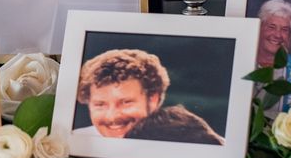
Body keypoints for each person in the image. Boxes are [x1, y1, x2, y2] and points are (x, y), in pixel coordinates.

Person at [76, 48, 225, 145]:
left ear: (153, 99)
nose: (112, 116)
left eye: (126, 102)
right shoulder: (76, 144)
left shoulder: (197, 142)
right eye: (100, 105)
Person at [255, 0, 291, 110]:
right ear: (259, 28)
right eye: (271, 27)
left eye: (285, 29)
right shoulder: (242, 58)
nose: (278, 35)